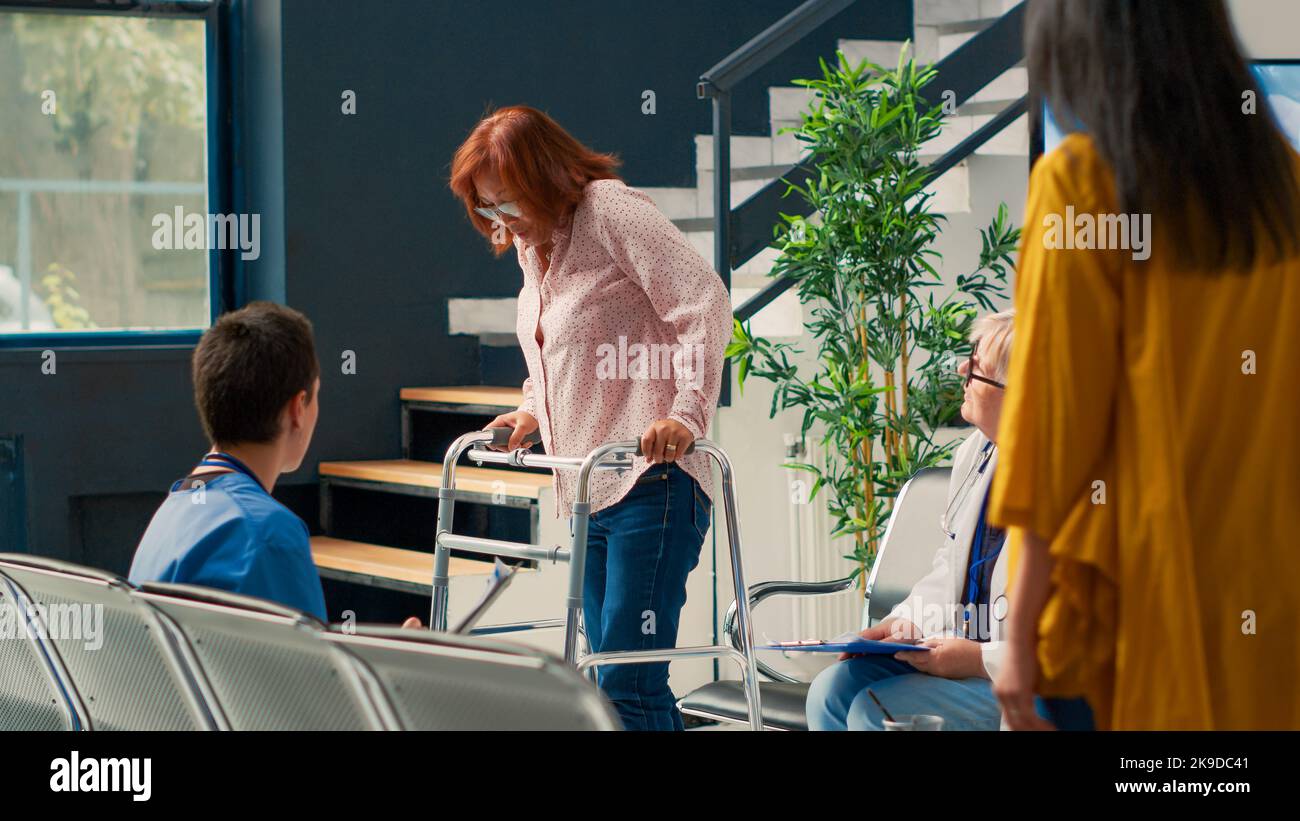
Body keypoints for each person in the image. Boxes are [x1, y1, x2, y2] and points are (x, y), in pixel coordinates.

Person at [990, 0, 1300, 730]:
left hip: (1139, 611)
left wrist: (1018, 632)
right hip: (1273, 604)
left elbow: (1050, 439)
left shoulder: (1082, 182)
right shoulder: (1283, 180)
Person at [449, 105, 732, 730]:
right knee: (611, 681)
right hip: (588, 486)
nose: (502, 221)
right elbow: (559, 350)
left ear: (546, 175)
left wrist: (687, 413)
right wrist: (529, 412)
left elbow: (704, 300)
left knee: (627, 684)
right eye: (488, 208)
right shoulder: (536, 244)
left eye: (508, 202)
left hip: (654, 481)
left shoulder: (610, 210)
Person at [805, 311, 1080, 730]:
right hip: (966, 655)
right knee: (833, 690)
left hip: (1039, 683)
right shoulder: (977, 453)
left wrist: (978, 658)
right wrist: (907, 622)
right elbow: (948, 568)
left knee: (875, 710)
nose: (960, 369)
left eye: (977, 365)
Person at [129, 302, 328, 620]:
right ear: (298, 409)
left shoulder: (174, 509)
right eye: (316, 395)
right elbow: (312, 669)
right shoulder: (269, 534)